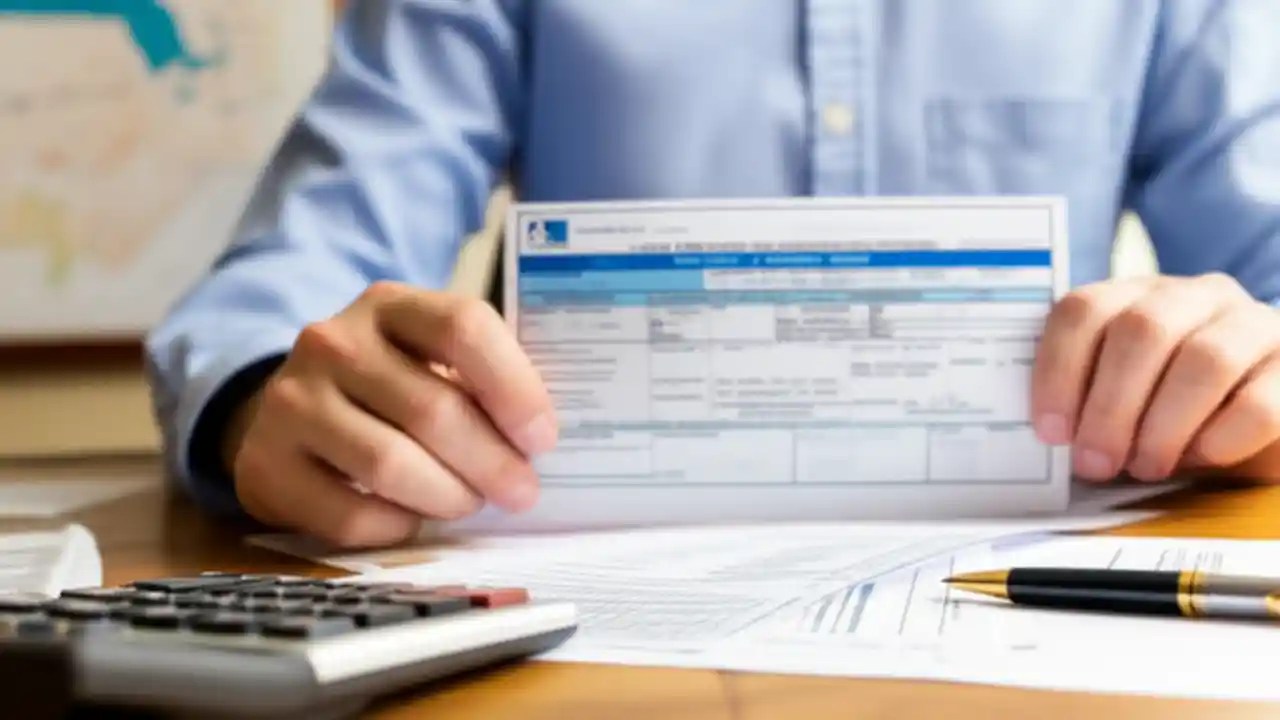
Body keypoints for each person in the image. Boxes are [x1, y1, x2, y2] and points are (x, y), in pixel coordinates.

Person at [146, 1, 1280, 548]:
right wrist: (259, 397)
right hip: (581, 632)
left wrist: (1251, 370)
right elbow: (299, 269)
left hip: (1035, 604)